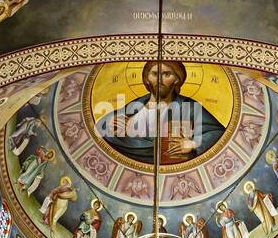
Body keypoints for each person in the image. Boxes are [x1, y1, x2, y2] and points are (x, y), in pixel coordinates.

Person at [94, 61, 225, 165]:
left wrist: (193, 143)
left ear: (177, 80)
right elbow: (101, 126)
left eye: (167, 74)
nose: (159, 80)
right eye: (155, 74)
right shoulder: (136, 105)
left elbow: (217, 133)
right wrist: (112, 122)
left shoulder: (189, 107)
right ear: (146, 79)